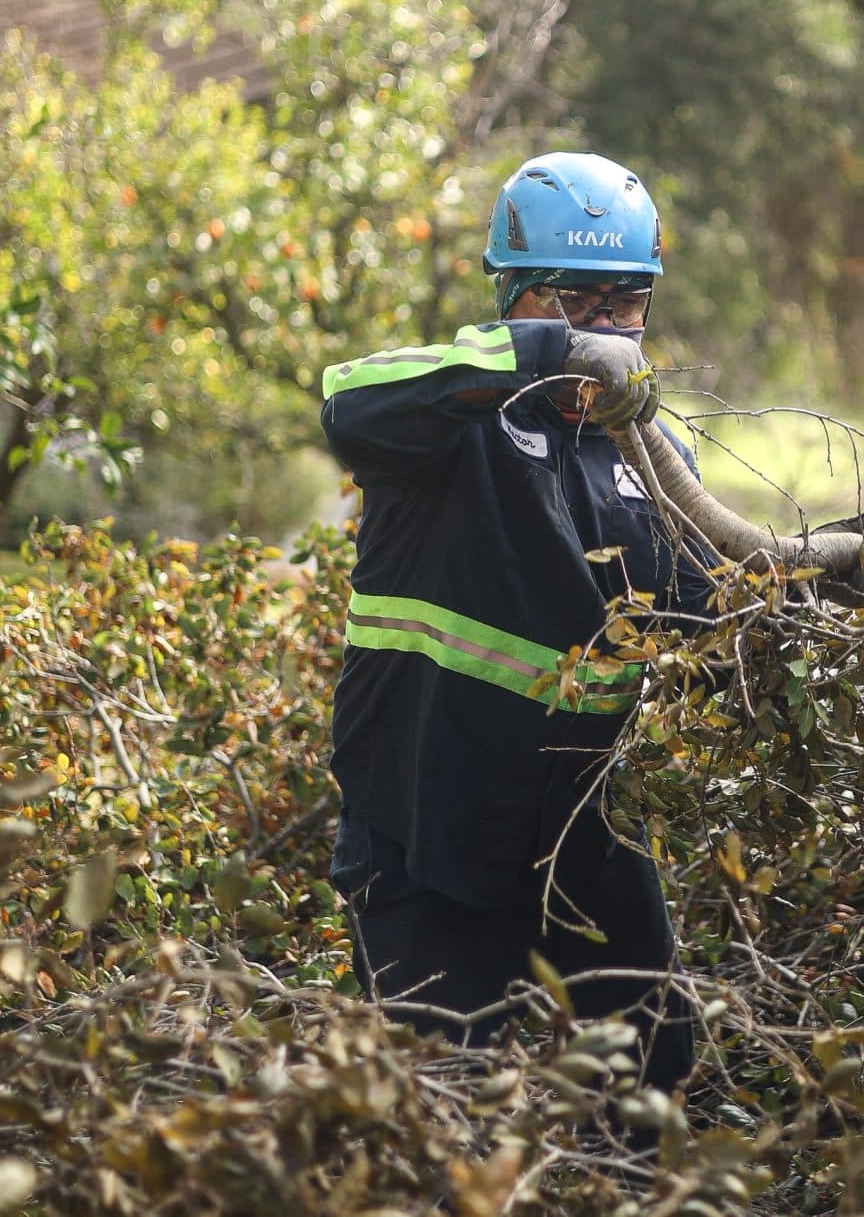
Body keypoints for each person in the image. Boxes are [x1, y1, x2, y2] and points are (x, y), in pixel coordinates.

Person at [320, 151, 713, 1097]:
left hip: (587, 840)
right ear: (517, 297)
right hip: (427, 832)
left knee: (652, 1084)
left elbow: (707, 605)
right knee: (438, 1101)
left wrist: (816, 580)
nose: (608, 332)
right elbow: (348, 402)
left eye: (625, 306)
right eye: (577, 303)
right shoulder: (447, 417)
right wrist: (545, 355)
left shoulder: (651, 457)